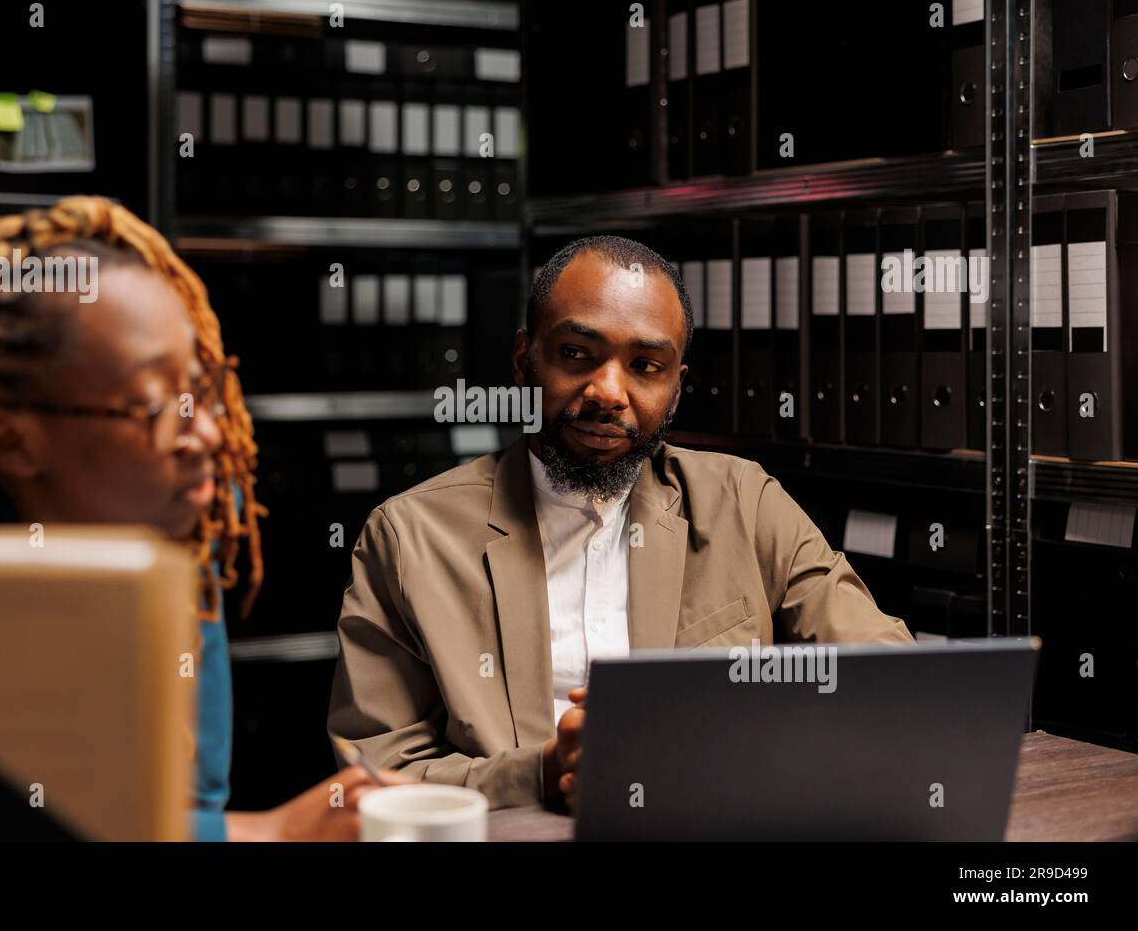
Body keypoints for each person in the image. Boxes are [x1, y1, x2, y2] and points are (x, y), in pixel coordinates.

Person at [0, 196, 405, 840]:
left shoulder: (179, 490)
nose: (212, 436)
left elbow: (186, 792)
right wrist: (270, 834)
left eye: (204, 385)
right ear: (13, 443)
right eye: (155, 404)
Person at [328, 234, 915, 812]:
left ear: (677, 389)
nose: (608, 391)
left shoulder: (745, 503)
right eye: (576, 354)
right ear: (522, 361)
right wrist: (541, 772)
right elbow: (373, 781)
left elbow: (893, 683)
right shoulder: (408, 539)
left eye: (645, 365)